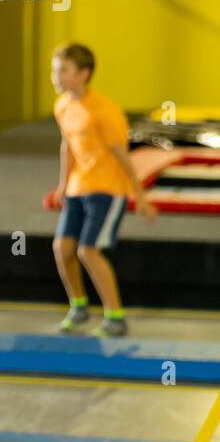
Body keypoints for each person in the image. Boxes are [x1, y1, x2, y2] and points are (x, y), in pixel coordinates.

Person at [49, 42, 157, 337]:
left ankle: (115, 316)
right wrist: (63, 183)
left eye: (63, 71)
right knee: (63, 248)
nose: (55, 77)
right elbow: (67, 145)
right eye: (54, 70)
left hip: (108, 189)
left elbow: (122, 154)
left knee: (88, 250)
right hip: (77, 187)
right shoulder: (62, 105)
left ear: (84, 74)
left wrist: (140, 195)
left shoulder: (105, 111)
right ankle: (79, 305)